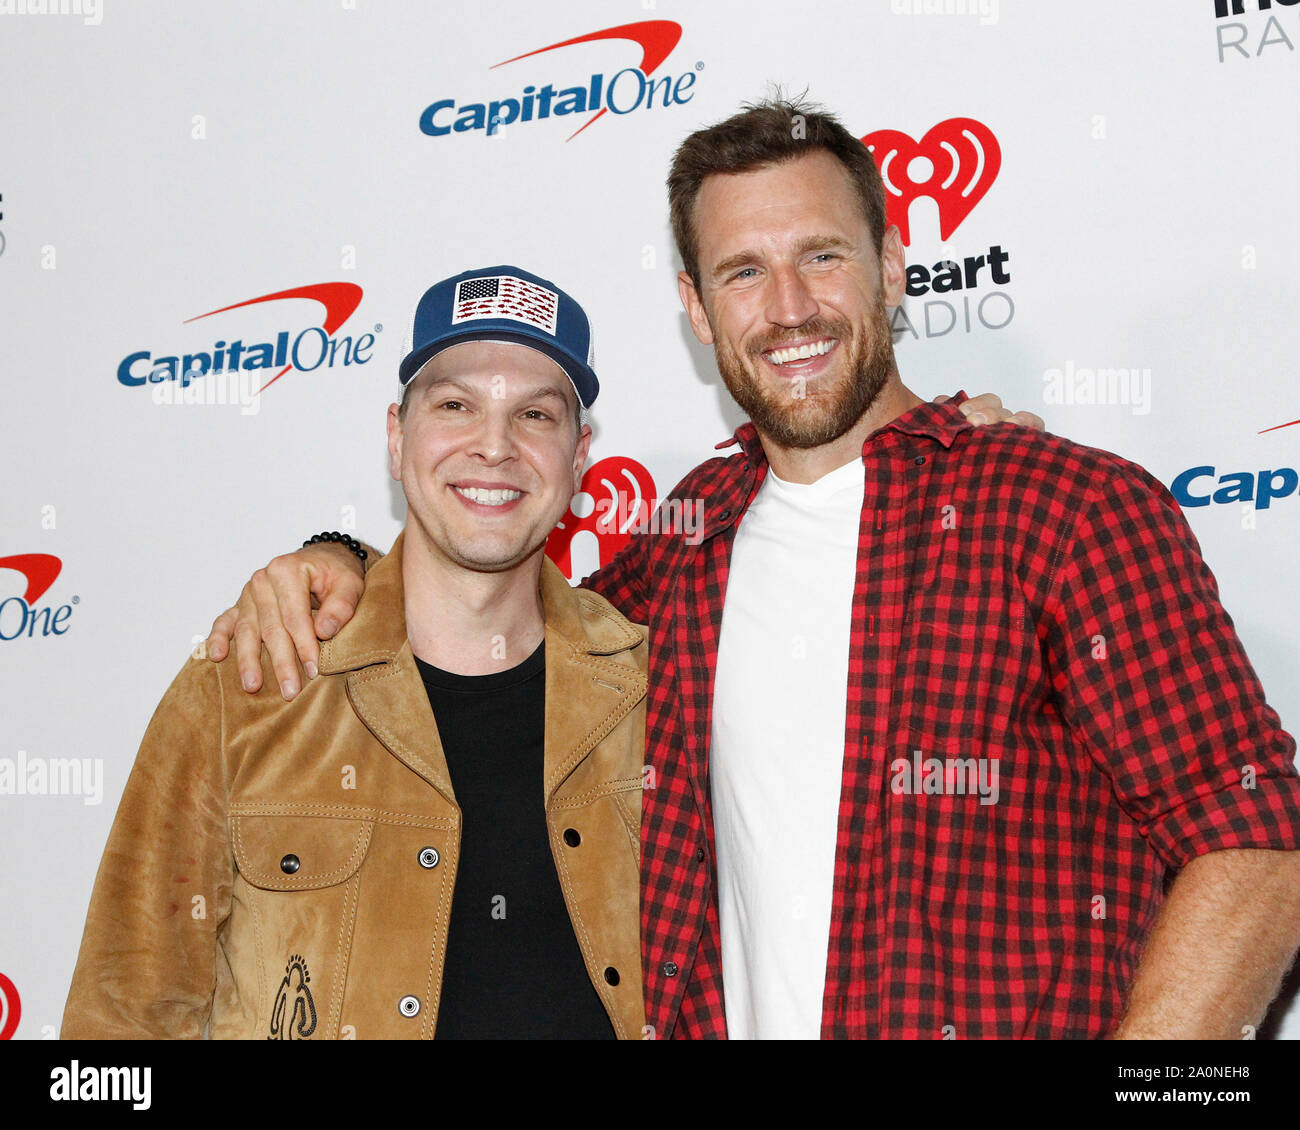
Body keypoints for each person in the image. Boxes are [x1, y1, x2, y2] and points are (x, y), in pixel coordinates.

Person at [208, 99, 1300, 1041]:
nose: (788, 308)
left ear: (893, 266)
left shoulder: (1063, 509)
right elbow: (484, 609)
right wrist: (340, 558)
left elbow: (1255, 838)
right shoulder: (671, 559)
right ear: (694, 308)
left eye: (821, 255)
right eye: (743, 270)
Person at [63, 266, 649, 1039]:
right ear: (395, 438)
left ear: (578, 460)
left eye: (536, 414)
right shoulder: (250, 681)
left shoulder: (648, 688)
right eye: (455, 406)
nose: (495, 446)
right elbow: (121, 1018)